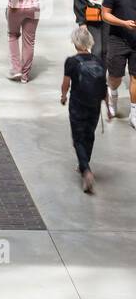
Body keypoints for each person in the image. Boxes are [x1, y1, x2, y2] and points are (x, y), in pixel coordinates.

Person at [61, 25, 109, 193]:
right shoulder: (98, 61)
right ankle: (84, 163)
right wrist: (108, 108)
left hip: (78, 104)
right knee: (89, 135)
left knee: (78, 138)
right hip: (95, 105)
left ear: (75, 43)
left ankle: (86, 170)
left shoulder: (72, 62)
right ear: (90, 42)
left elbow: (66, 83)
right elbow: (104, 86)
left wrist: (63, 96)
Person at [100, 0, 136, 129]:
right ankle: (112, 94)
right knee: (116, 77)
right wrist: (124, 23)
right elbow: (105, 15)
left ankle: (134, 114)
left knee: (135, 78)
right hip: (118, 39)